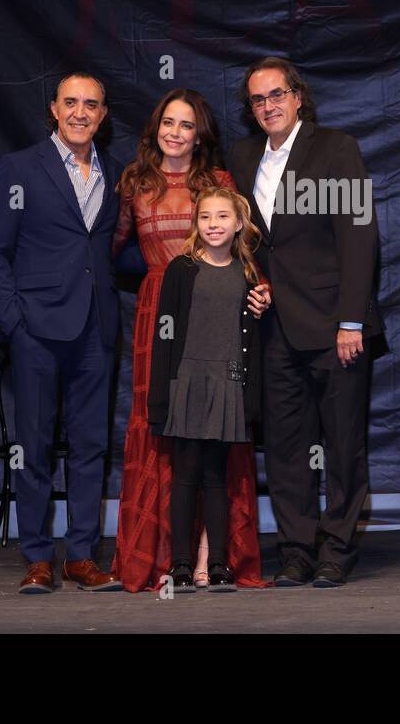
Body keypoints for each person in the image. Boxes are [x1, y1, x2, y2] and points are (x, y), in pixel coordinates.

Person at [227, 57, 382, 587]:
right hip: (274, 330)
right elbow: (245, 240)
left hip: (335, 327)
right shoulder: (243, 156)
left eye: (276, 94)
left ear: (297, 97)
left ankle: (337, 547)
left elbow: (359, 237)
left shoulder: (335, 147)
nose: (268, 105)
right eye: (257, 99)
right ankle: (295, 550)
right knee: (287, 449)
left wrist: (352, 322)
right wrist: (254, 285)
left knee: (342, 445)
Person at [110, 89, 269, 591]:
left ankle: (210, 554)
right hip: (158, 309)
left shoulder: (217, 182)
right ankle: (161, 555)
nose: (175, 132)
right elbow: (113, 248)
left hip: (216, 312)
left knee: (219, 441)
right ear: (155, 128)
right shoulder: (134, 182)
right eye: (168, 123)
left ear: (199, 135)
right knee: (162, 433)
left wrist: (258, 289)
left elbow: (240, 246)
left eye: (186, 125)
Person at [0, 72, 123, 593]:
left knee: (90, 448)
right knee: (34, 448)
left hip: (95, 329)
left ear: (103, 115)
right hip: (35, 330)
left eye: (92, 104)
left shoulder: (117, 172)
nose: (81, 112)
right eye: (71, 103)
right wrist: (14, 323)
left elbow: (106, 251)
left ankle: (81, 556)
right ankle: (38, 557)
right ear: (54, 110)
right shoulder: (19, 168)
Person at [147, 187, 266, 592]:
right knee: (186, 475)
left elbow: (252, 337)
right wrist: (162, 393)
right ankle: (181, 563)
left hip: (228, 382)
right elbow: (165, 334)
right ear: (195, 223)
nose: (213, 225)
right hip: (187, 381)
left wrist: (249, 395)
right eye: (205, 218)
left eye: (221, 218)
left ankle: (217, 562)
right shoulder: (181, 270)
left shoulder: (247, 274)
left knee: (217, 477)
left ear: (238, 224)